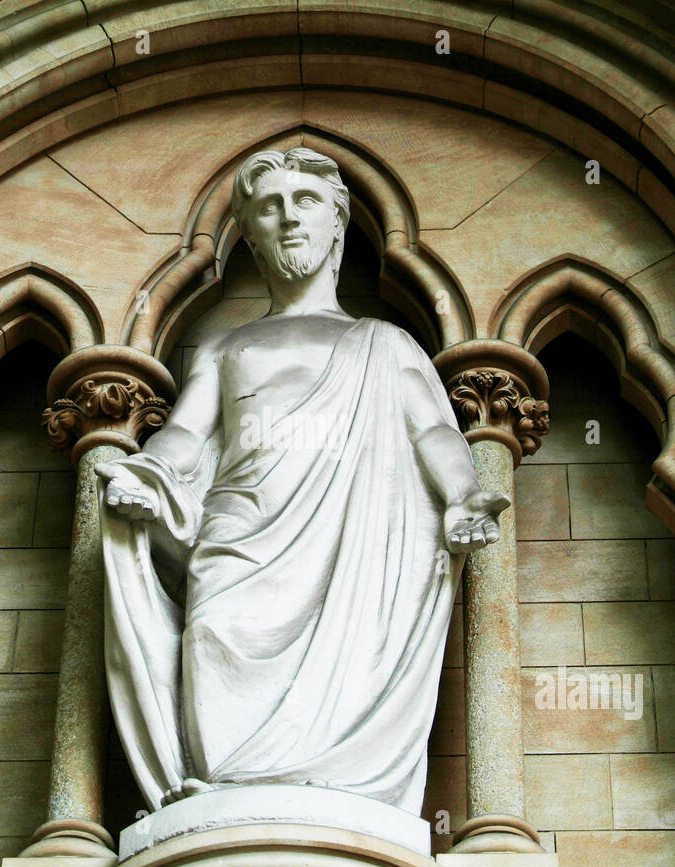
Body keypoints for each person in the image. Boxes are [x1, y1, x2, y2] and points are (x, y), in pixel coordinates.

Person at [97, 147, 508, 815]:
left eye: (307, 202)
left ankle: (337, 787)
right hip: (242, 535)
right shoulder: (229, 348)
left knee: (354, 659)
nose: (289, 219)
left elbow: (434, 431)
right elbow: (185, 432)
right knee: (213, 631)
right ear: (250, 234)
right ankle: (226, 789)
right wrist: (151, 470)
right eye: (269, 206)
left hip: (351, 545)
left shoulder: (385, 343)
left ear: (338, 224)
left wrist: (464, 493)